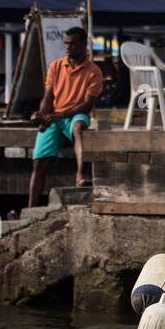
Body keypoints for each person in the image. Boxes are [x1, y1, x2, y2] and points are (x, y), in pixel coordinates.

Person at [28, 26, 102, 206]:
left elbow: (87, 105)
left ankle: (80, 173)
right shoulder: (55, 66)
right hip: (55, 117)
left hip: (76, 115)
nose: (68, 48)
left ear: (84, 44)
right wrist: (42, 115)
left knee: (78, 127)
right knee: (39, 162)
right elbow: (48, 96)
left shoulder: (94, 71)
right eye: (66, 44)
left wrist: (60, 116)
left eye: (73, 44)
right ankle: (31, 206)